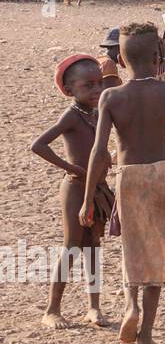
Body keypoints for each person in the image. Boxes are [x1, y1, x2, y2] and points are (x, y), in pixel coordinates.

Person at [81, 23, 165, 344]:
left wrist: (87, 199)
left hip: (127, 176)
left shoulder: (111, 96)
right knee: (156, 255)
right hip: (158, 173)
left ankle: (131, 306)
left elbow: (99, 152)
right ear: (157, 56)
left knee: (132, 247)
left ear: (122, 61)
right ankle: (145, 339)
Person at [31, 54, 113, 329]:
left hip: (97, 188)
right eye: (88, 86)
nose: (96, 90)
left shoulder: (97, 111)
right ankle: (52, 309)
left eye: (99, 83)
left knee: (93, 248)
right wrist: (72, 168)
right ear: (69, 90)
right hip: (75, 188)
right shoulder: (71, 115)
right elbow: (39, 145)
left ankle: (93, 307)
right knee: (71, 247)